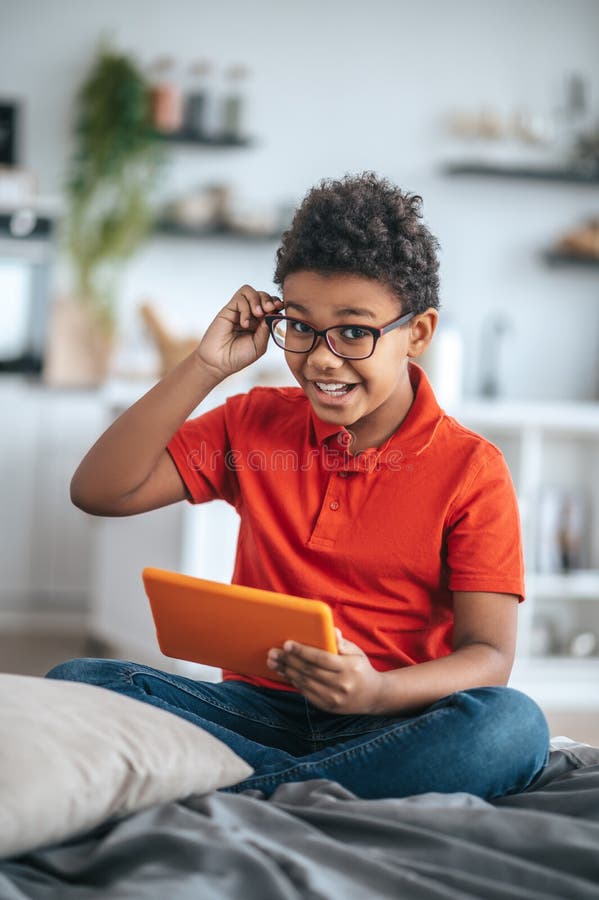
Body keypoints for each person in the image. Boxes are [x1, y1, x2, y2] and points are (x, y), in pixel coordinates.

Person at [47, 172, 550, 801]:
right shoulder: (253, 421)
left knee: (512, 728)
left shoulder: (472, 469)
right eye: (302, 325)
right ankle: (306, 793)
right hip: (255, 712)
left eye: (354, 331)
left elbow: (489, 657)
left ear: (417, 334)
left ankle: (247, 791)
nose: (320, 358)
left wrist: (377, 692)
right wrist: (206, 367)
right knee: (80, 678)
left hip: (394, 721)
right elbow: (100, 490)